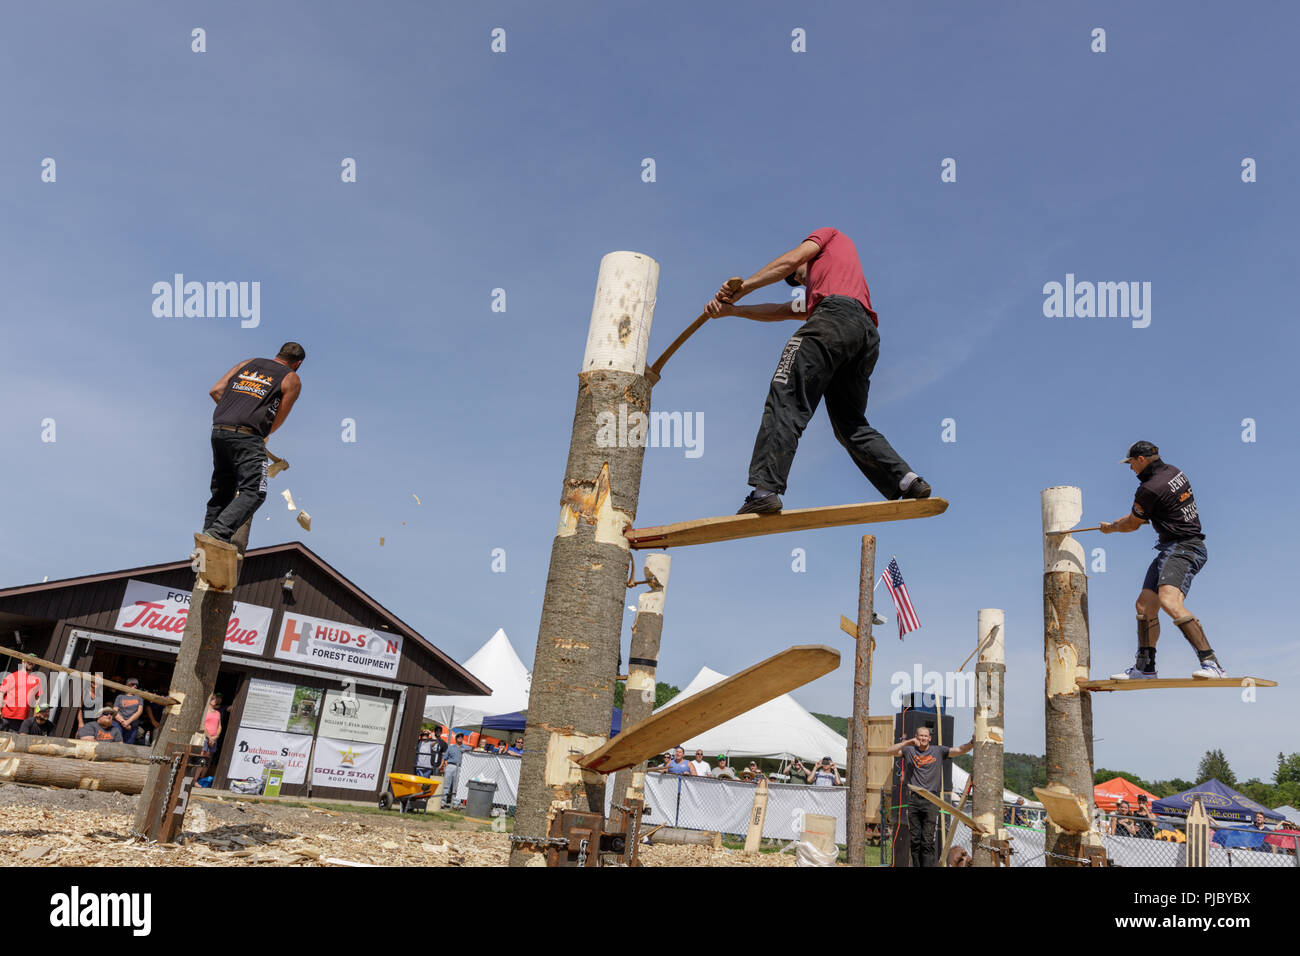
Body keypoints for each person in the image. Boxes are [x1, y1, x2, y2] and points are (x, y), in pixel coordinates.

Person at [703, 228, 930, 515]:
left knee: (786, 396)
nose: (799, 279)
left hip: (834, 319)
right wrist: (734, 311)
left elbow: (789, 261)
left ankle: (764, 491)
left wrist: (743, 287)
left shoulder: (829, 237)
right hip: (865, 335)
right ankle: (907, 480)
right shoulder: (825, 289)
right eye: (798, 281)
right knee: (850, 424)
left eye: (800, 275)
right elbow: (782, 310)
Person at [1101, 441, 1223, 679]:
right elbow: (1148, 513)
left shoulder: (1149, 488)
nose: (1130, 469)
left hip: (1184, 547)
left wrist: (1112, 529)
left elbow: (1133, 525)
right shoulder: (1174, 472)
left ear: (1141, 459)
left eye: (1131, 463)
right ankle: (1145, 667)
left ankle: (1212, 663)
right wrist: (1122, 522)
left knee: (1169, 601)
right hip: (1173, 547)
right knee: (1145, 606)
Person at [199, 343, 305, 544]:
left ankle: (207, 537)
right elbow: (275, 422)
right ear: (298, 363)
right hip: (248, 435)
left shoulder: (249, 363)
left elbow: (216, 391)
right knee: (256, 491)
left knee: (224, 490)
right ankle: (218, 534)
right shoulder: (292, 378)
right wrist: (255, 425)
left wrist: (237, 410)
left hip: (219, 430)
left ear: (278, 353)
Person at [884, 726, 974, 868]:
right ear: (916, 736)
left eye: (925, 736)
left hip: (931, 799)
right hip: (914, 799)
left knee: (927, 840)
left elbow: (959, 750)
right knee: (915, 840)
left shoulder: (938, 751)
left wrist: (971, 743)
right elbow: (889, 751)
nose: (923, 738)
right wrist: (908, 742)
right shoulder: (909, 750)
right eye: (920, 736)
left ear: (930, 738)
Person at [0, 661, 44, 732]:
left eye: (32, 661)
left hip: (21, 719)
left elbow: (37, 700)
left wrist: (35, 716)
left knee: (12, 741)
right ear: (23, 662)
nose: (30, 662)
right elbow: (1, 693)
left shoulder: (37, 680)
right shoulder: (12, 676)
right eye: (28, 661)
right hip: (5, 716)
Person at [440, 732, 470, 808]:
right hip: (450, 766)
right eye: (458, 737)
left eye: (461, 737)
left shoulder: (466, 748)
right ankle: (442, 802)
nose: (460, 738)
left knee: (457, 786)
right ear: (456, 738)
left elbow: (473, 752)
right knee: (446, 786)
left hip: (460, 767)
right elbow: (445, 757)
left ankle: (456, 804)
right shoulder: (450, 747)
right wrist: (443, 766)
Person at [113, 677, 145, 745]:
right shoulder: (120, 696)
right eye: (132, 684)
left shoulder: (139, 697)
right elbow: (115, 711)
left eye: (136, 685)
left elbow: (139, 712)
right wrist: (123, 722)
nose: (135, 686)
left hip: (132, 725)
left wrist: (128, 722)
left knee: (128, 745)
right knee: (117, 743)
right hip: (119, 723)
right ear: (127, 685)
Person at [201, 693, 224, 766]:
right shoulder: (205, 711)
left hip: (214, 738)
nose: (215, 700)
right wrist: (210, 737)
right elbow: (203, 725)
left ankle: (200, 776)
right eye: (213, 698)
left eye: (215, 698)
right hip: (205, 737)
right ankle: (195, 777)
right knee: (202, 757)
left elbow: (219, 726)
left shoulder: (218, 713)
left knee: (208, 759)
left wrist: (216, 737)